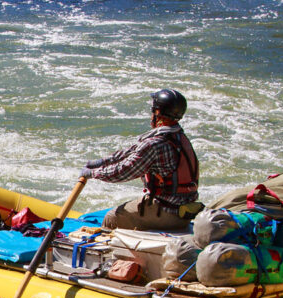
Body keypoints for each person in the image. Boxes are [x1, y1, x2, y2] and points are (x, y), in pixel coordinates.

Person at [80, 89, 201, 231]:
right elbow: (131, 152)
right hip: (185, 213)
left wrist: (93, 174)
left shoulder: (154, 144)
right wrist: (101, 162)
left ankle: (111, 252)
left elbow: (123, 171)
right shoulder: (179, 137)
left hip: (167, 212)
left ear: (157, 113)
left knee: (112, 218)